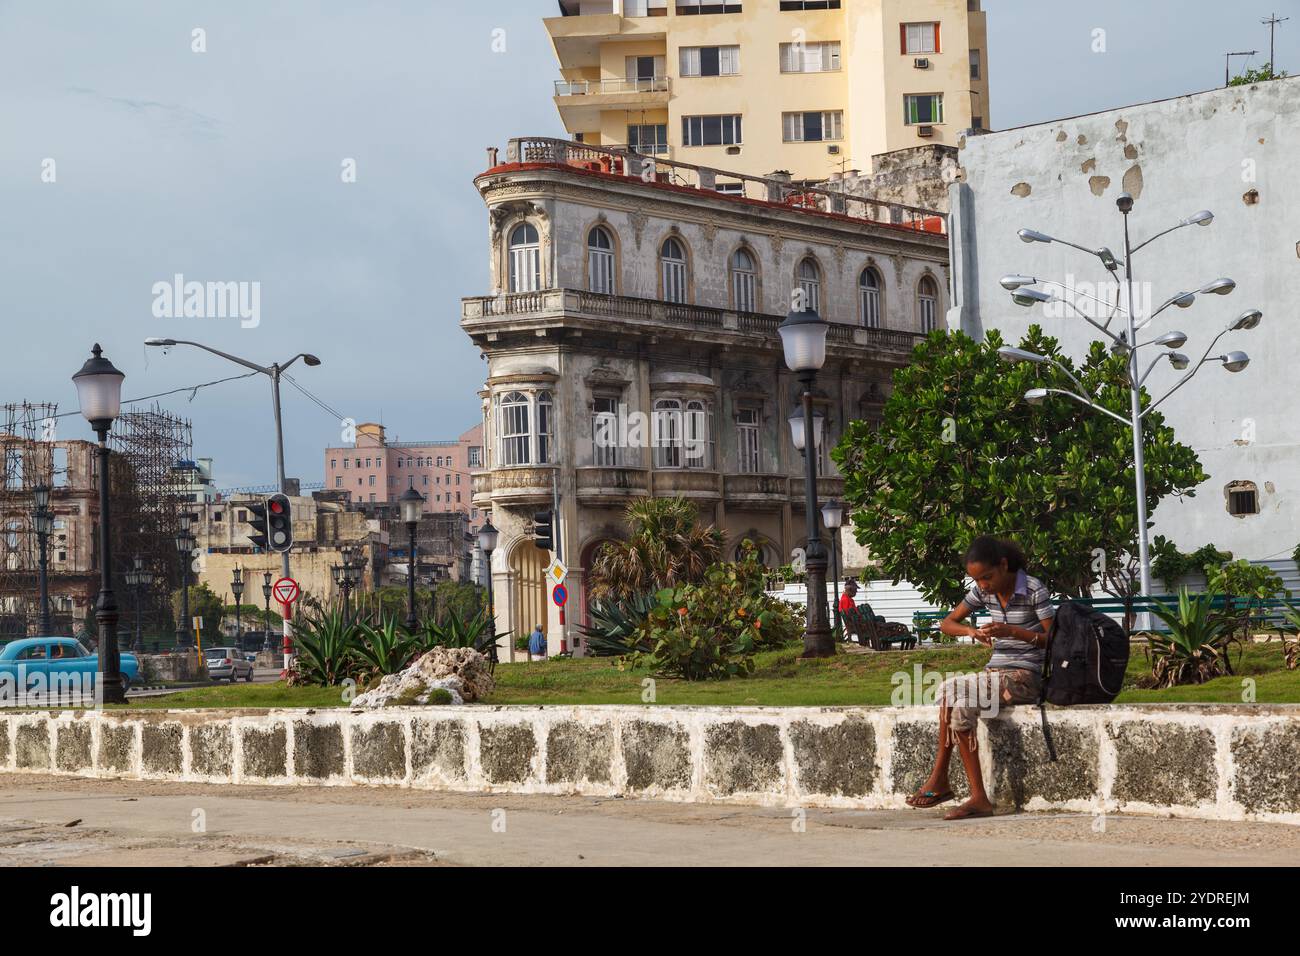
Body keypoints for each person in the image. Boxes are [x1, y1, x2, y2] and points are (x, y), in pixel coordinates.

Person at [906, 536, 1055, 820]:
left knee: (949, 687)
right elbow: (947, 623)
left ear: (1003, 565)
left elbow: (1055, 639)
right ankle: (979, 798)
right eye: (977, 580)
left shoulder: (1033, 588)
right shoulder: (983, 592)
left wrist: (1013, 633)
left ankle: (939, 777)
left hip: (1025, 676)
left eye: (987, 577)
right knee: (961, 706)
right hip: (995, 675)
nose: (983, 585)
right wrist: (971, 633)